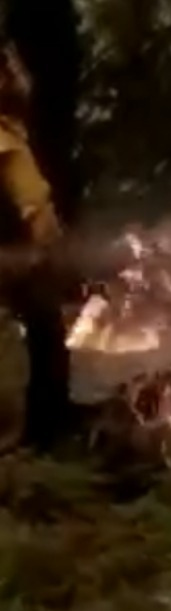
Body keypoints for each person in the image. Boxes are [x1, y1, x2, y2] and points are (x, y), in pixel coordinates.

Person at [0, 45, 77, 450]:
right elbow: (29, 203)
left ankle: (46, 425)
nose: (18, 79)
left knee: (45, 335)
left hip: (29, 257)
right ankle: (38, 432)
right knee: (40, 337)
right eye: (8, 73)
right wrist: (45, 248)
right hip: (21, 257)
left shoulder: (12, 131)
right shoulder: (4, 142)